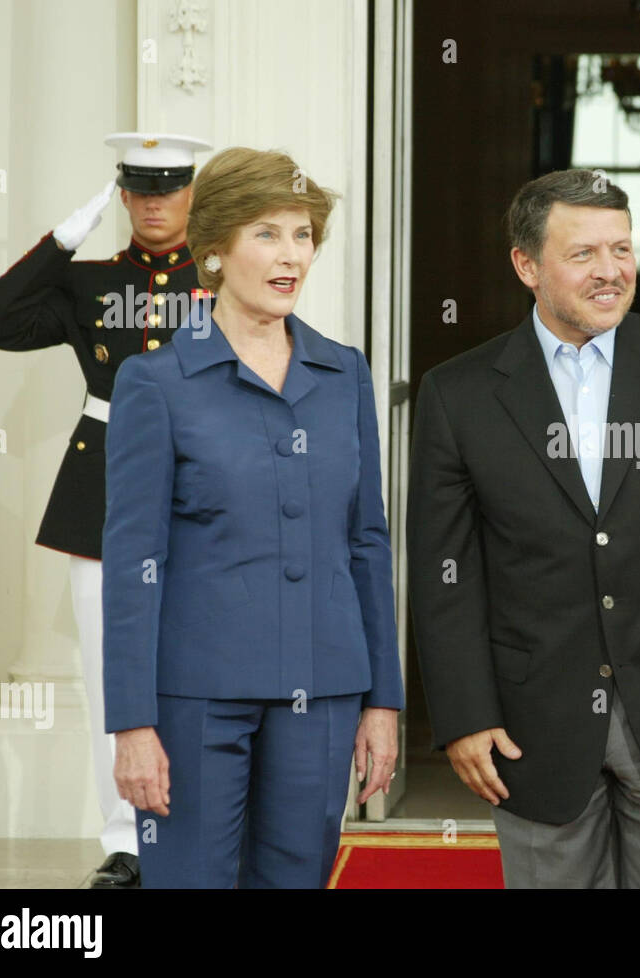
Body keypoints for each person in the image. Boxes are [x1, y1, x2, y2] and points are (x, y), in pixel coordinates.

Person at [408, 168, 640, 888]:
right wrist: (463, 713)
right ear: (526, 266)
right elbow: (443, 569)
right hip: (530, 718)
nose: (611, 271)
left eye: (622, 249)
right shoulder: (458, 393)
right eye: (584, 254)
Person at [101, 147, 403, 888]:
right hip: (194, 699)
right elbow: (134, 562)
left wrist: (384, 701)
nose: (290, 255)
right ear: (214, 251)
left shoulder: (345, 373)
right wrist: (133, 725)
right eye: (267, 233)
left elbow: (367, 542)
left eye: (303, 236)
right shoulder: (155, 382)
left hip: (325, 691)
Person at [0, 131, 211, 889]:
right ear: (122, 194)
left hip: (203, 479)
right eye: (139, 188)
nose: (153, 202)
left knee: (207, 659)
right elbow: (0, 323)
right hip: (105, 484)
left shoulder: (218, 276)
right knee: (110, 666)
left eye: (169, 187)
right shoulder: (89, 282)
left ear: (190, 194)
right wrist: (62, 239)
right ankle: (128, 842)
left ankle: (208, 825)